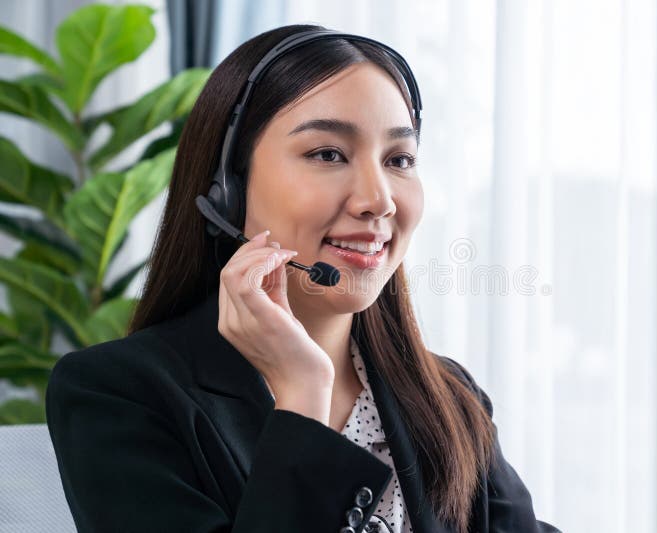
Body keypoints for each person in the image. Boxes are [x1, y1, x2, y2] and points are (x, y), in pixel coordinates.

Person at [45, 24, 561, 533]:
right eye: (328, 154)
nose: (378, 199)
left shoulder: (446, 396)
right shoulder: (117, 394)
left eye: (399, 159)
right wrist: (303, 397)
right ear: (229, 188)